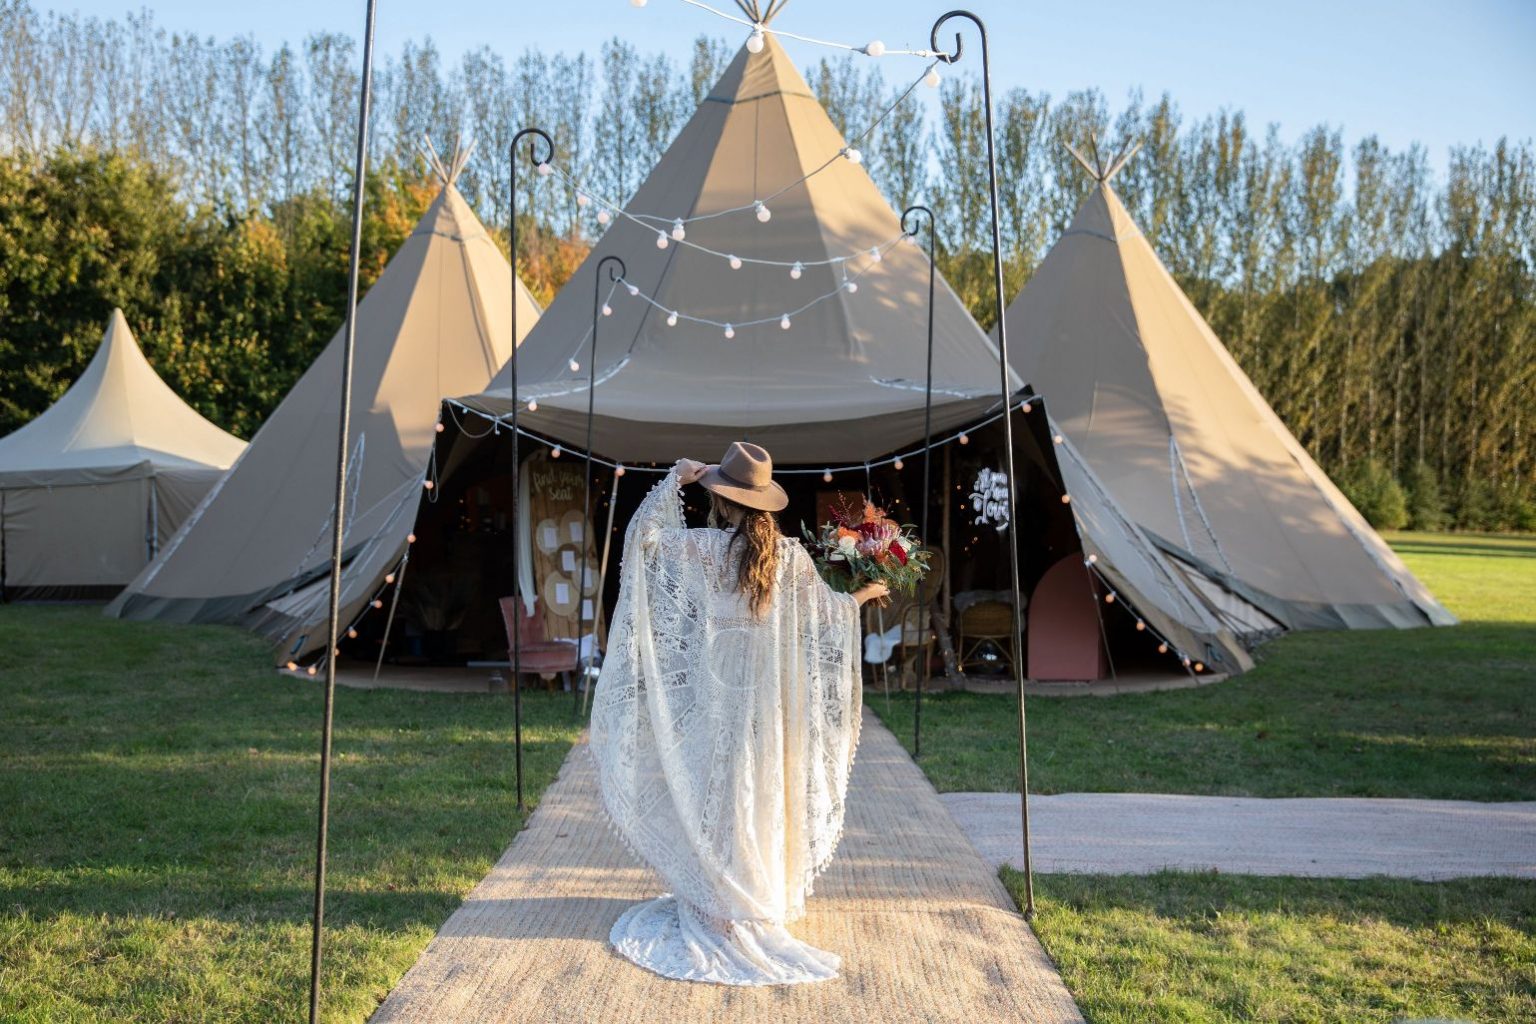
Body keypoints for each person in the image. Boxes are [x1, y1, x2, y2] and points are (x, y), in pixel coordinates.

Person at [589, 440, 888, 986]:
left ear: (722, 501)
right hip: (765, 704)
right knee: (760, 789)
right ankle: (753, 888)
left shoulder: (700, 550)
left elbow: (640, 545)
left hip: (717, 694)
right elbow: (828, 614)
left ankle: (720, 895)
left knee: (717, 793)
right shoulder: (790, 557)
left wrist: (672, 481)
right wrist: (862, 597)